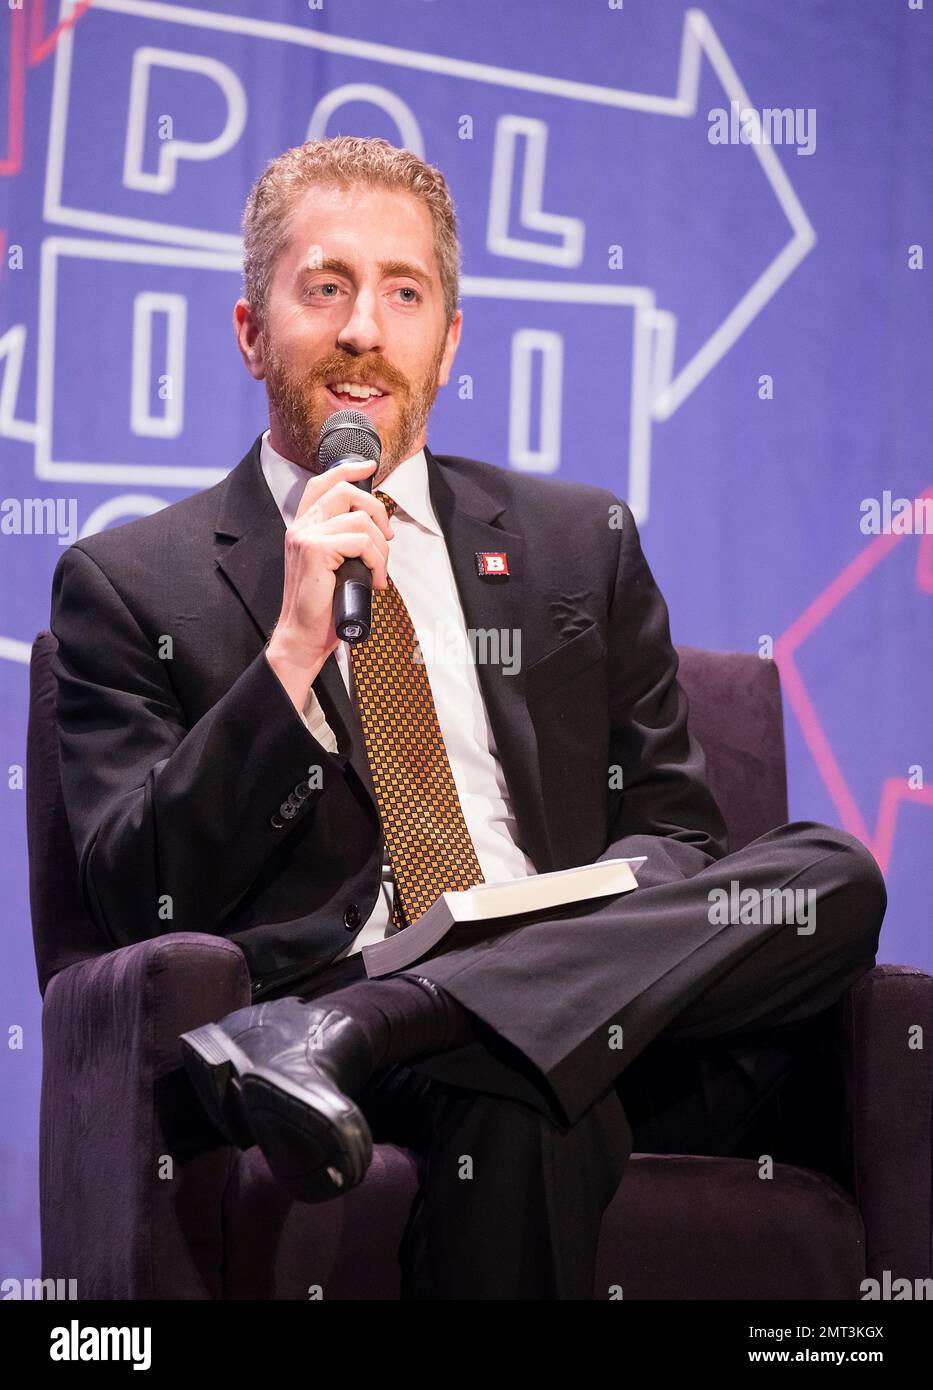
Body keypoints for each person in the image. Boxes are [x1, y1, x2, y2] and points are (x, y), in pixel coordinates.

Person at [50, 135, 886, 1300]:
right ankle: (383, 1030)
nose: (363, 332)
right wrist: (292, 652)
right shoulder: (134, 583)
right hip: (343, 1025)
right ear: (251, 331)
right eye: (324, 287)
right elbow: (136, 893)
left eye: (405, 293)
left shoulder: (572, 542)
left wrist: (558, 947)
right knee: (524, 1088)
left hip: (595, 1001)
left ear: (449, 339)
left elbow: (680, 837)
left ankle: (391, 1022)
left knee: (833, 872)